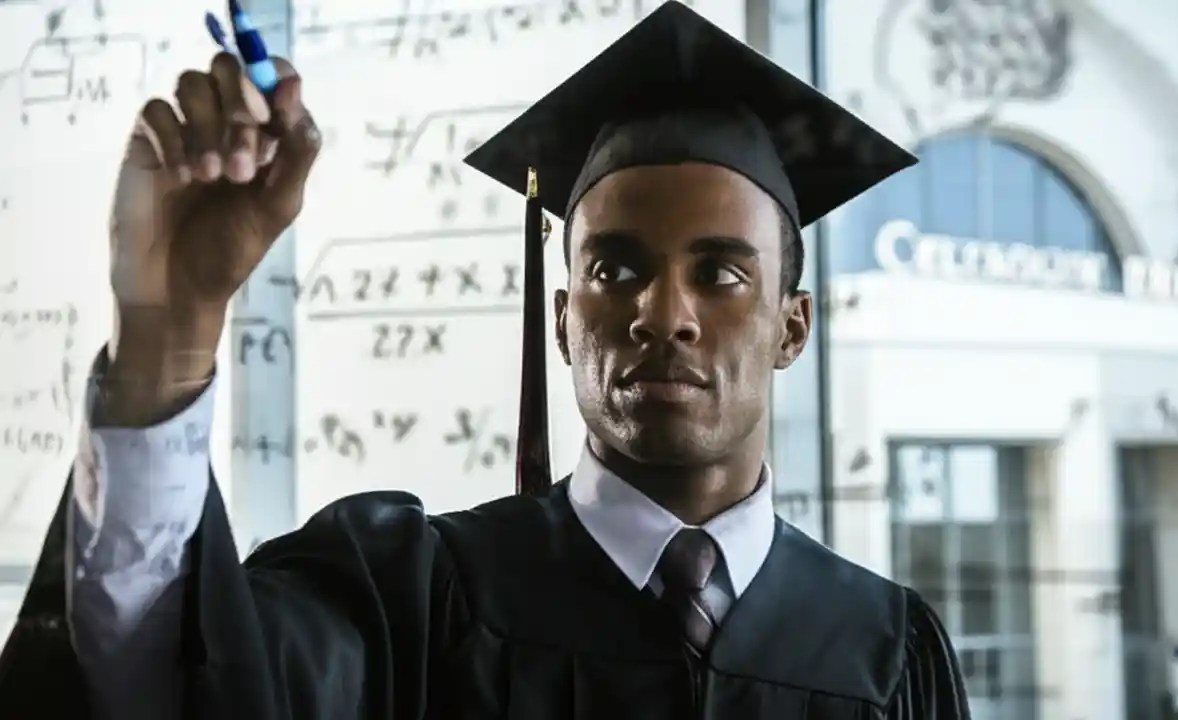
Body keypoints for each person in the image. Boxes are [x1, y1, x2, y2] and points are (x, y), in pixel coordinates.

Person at [0, 3, 970, 718]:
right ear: (562, 318)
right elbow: (167, 680)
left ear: (791, 327)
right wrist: (169, 331)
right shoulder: (410, 597)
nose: (659, 314)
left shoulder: (887, 652)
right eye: (613, 268)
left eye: (718, 273)